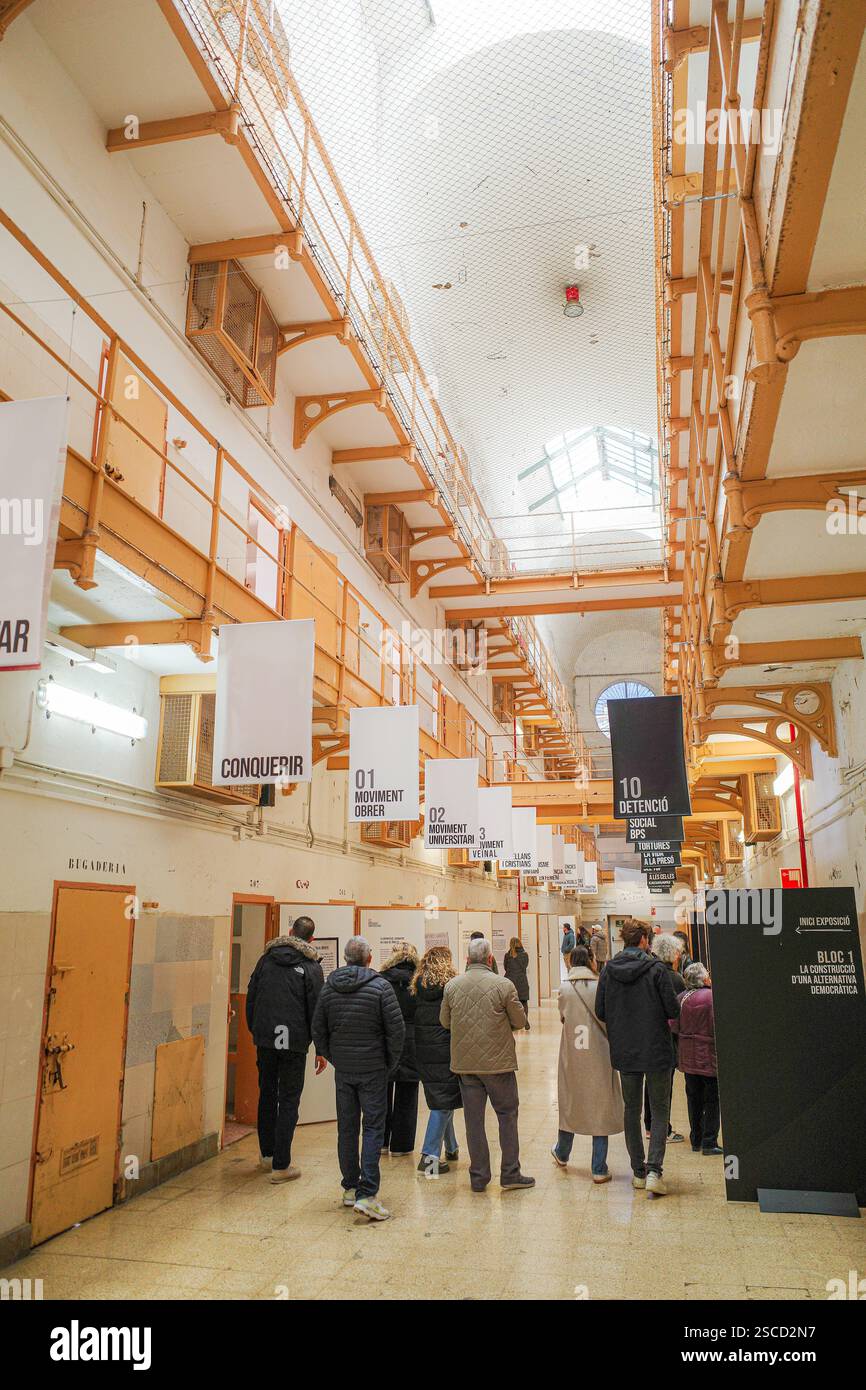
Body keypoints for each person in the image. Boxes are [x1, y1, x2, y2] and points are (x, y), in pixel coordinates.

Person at [312, 936, 405, 1221]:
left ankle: (350, 1186)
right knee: (374, 1127)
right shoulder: (381, 988)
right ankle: (368, 1194)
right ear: (368, 958)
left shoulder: (330, 988)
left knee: (347, 1128)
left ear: (345, 958)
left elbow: (318, 1029)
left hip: (346, 1071)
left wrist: (335, 1056)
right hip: (374, 1069)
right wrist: (388, 1062)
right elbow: (396, 1031)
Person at [440, 936, 534, 1193]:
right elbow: (519, 1020)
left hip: (466, 1066)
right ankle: (510, 1173)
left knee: (474, 1122)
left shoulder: (452, 986)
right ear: (490, 959)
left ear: (468, 960)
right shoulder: (504, 986)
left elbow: (445, 1022)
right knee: (507, 1116)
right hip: (499, 1064)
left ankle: (479, 1177)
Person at [595, 919, 681, 1196]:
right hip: (656, 1049)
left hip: (626, 1050)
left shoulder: (609, 970)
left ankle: (638, 1172)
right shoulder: (656, 969)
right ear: (644, 940)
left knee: (631, 1110)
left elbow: (600, 1010)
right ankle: (655, 1170)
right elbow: (673, 1009)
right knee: (659, 1110)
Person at [245, 915, 326, 1184]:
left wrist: (256, 1030)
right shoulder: (311, 966)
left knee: (267, 1094)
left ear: (290, 931)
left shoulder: (265, 959)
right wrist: (320, 1046)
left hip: (266, 1039)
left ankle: (266, 1155)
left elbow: (251, 997)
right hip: (293, 1043)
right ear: (311, 939)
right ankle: (281, 1165)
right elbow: (316, 1009)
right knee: (289, 1099)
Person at [551, 945, 622, 1182]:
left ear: (571, 962)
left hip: (573, 1053)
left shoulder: (564, 988)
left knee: (571, 1101)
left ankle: (562, 1152)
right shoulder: (600, 986)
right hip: (599, 1052)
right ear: (591, 960)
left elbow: (563, 1017)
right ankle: (598, 1167)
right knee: (599, 1106)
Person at [411, 946, 462, 1175]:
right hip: (445, 1049)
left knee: (443, 1097)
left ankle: (451, 1147)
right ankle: (429, 1158)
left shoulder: (418, 985)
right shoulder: (452, 985)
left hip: (423, 1050)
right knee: (443, 1102)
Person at [672, 963, 722, 1155]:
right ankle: (710, 1142)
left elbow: (673, 1026)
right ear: (703, 979)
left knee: (693, 1099)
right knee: (712, 1100)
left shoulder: (680, 998)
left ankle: (696, 1139)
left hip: (687, 1056)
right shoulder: (711, 998)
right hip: (708, 1056)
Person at [643, 933, 687, 1144]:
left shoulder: (648, 973)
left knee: (648, 1085)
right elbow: (677, 1011)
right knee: (664, 1087)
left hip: (647, 1035)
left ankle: (649, 1125)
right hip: (666, 1039)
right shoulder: (675, 979)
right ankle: (664, 1129)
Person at [379, 942, 420, 1156]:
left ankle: (381, 1141)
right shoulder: (420, 980)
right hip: (412, 1042)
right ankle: (402, 1145)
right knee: (408, 1093)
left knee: (382, 1093)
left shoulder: (381, 979)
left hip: (386, 1041)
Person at [503, 936, 531, 1023]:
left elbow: (505, 967)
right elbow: (525, 967)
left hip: (510, 981)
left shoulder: (507, 955)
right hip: (522, 981)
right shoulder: (525, 955)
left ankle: (512, 1022)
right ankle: (525, 1021)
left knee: (510, 1003)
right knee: (524, 1002)